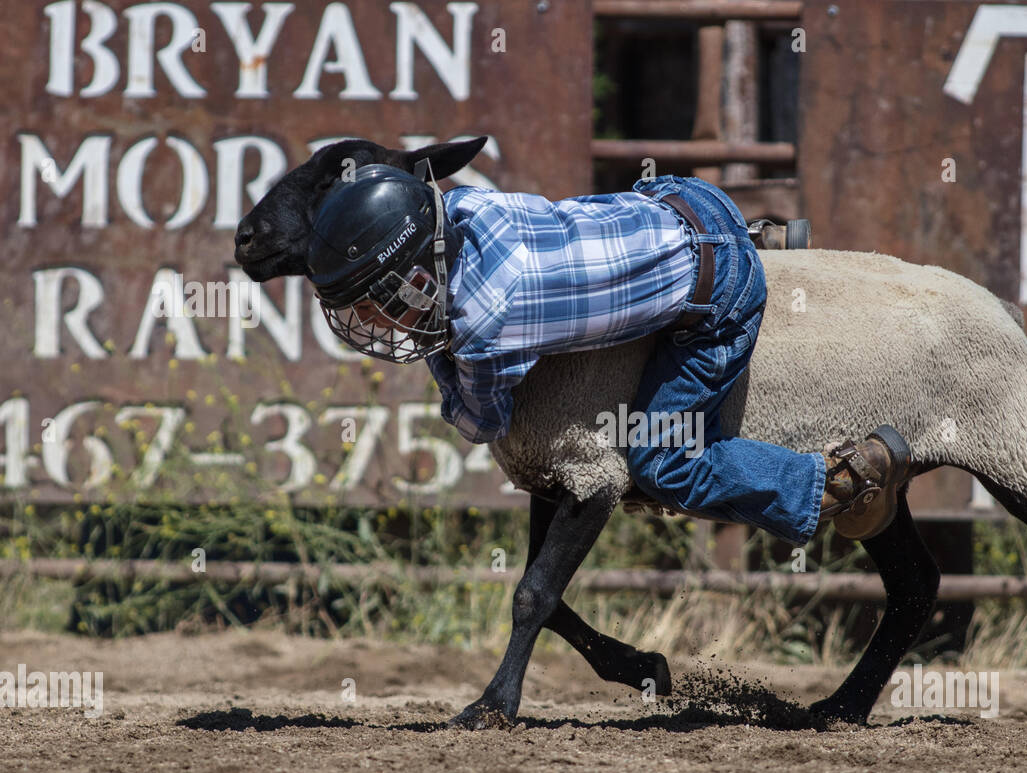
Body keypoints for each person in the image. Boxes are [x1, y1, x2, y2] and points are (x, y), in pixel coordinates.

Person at [305, 164, 912, 542]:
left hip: (722, 293)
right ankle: (753, 235)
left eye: (377, 302)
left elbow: (481, 419)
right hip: (682, 196)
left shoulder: (485, 322)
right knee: (581, 217)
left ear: (417, 280)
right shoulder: (464, 207)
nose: (372, 323)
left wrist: (442, 354)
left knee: (663, 463)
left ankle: (838, 480)